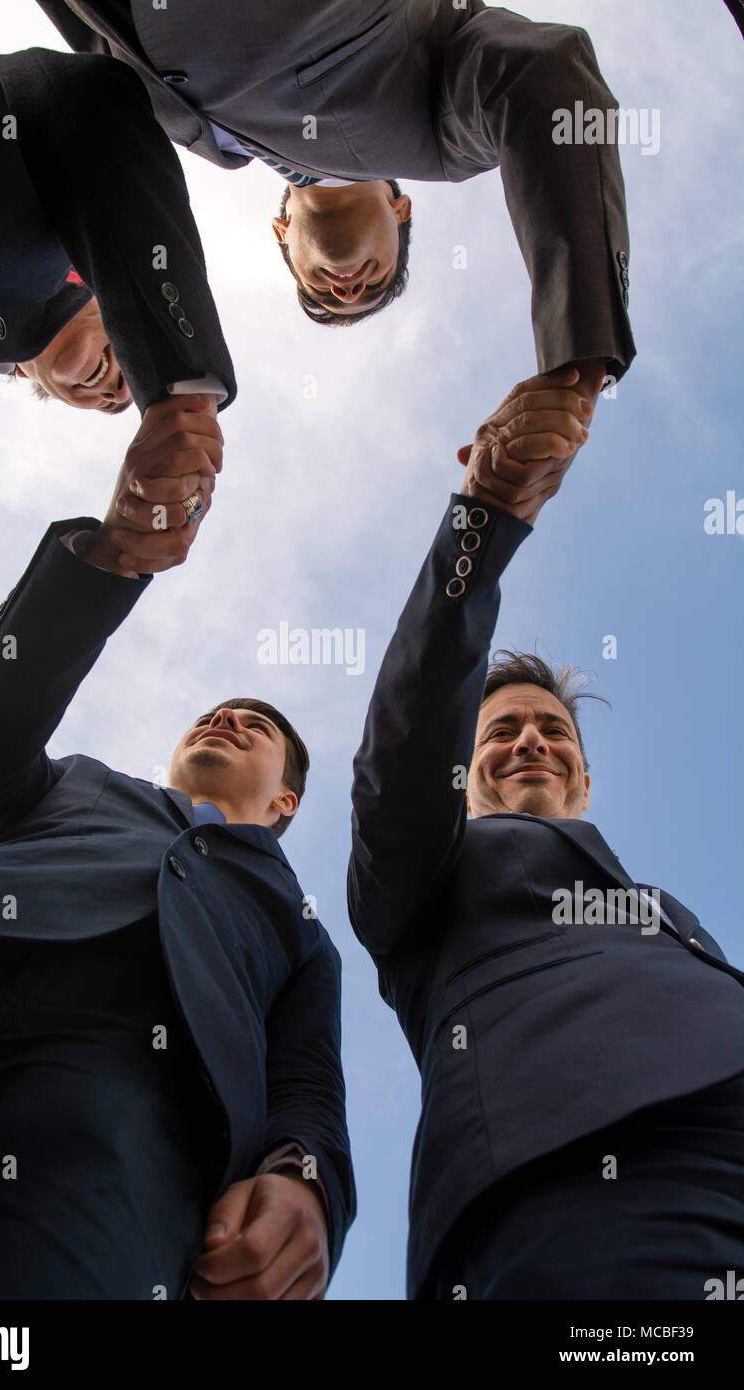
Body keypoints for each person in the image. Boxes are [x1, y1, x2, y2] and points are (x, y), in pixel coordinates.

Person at [0, 393, 354, 1299]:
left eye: (254, 726)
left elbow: (307, 1085)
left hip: (142, 1092)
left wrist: (306, 1180)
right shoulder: (79, 783)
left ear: (286, 797)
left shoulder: (299, 932)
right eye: (216, 713)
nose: (226, 718)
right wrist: (109, 559)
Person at [347, 368, 744, 1299]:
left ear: (584, 774)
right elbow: (405, 749)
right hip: (581, 1165)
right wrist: (485, 515)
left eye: (554, 731)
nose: (533, 738)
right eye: (502, 731)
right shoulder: (422, 872)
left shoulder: (661, 909)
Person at [37, 0, 634, 377]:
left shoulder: (204, 144)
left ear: (282, 234)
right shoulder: (443, 138)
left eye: (321, 293)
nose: (346, 289)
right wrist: (578, 358)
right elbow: (549, 73)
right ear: (400, 208)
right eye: (373, 283)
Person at [0, 1, 235, 452]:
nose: (118, 394)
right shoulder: (64, 222)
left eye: (108, 407)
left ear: (34, 380)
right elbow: (84, 102)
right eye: (133, 385)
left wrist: (103, 528)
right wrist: (178, 388)